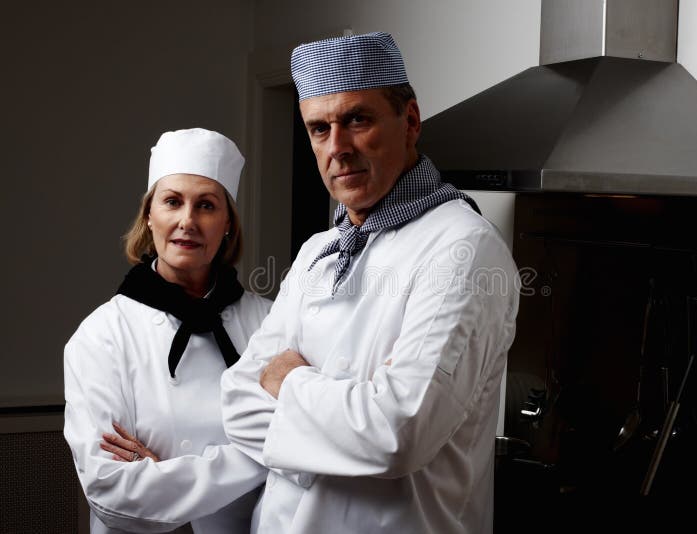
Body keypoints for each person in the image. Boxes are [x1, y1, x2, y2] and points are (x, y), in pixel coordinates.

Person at [220, 32, 520, 533]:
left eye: (357, 119)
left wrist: (289, 378)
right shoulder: (320, 250)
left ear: (410, 121)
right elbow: (236, 403)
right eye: (319, 129)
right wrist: (352, 407)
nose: (337, 148)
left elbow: (396, 433)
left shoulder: (464, 248)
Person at [64, 128, 272, 533]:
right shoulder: (102, 336)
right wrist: (260, 456)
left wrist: (165, 478)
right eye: (172, 202)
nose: (187, 221)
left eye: (207, 206)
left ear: (228, 223)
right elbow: (111, 491)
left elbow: (305, 453)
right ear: (149, 215)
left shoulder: (270, 323)